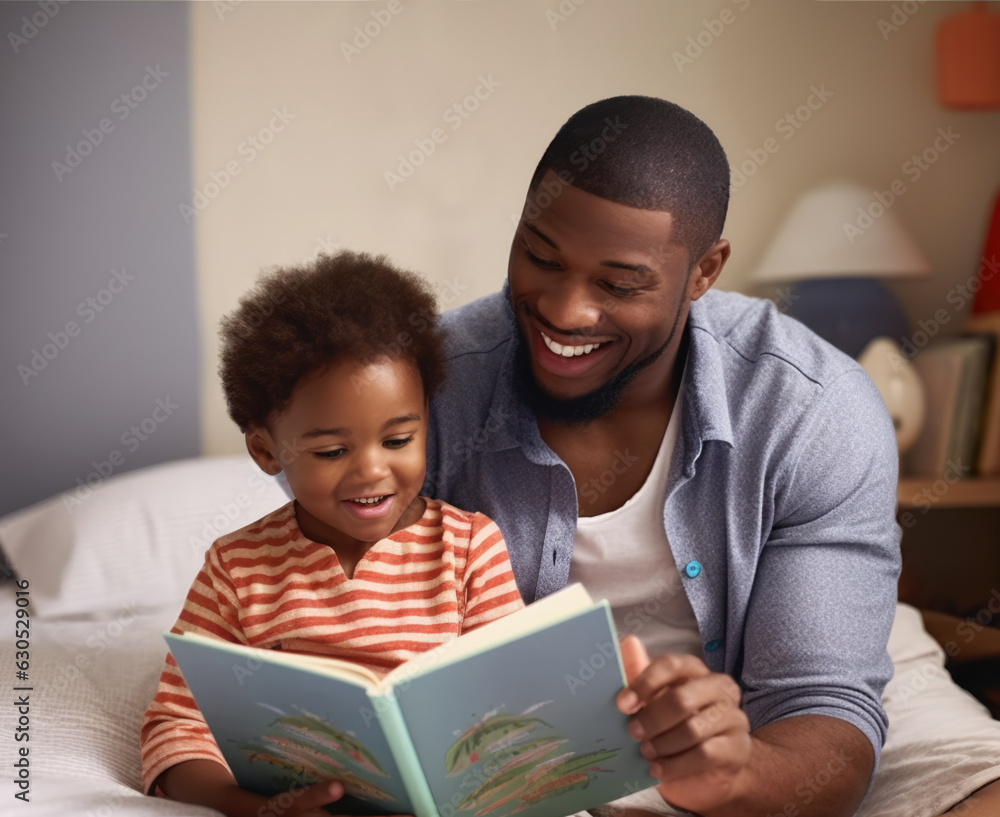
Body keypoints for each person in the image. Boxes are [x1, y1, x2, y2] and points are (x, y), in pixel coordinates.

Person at [422, 95, 1000, 817]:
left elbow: (821, 712)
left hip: (805, 681)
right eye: (540, 256)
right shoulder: (431, 383)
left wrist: (736, 777)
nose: (566, 311)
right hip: (536, 727)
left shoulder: (814, 407)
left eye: (619, 283)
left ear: (704, 272)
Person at [140, 251, 524, 817]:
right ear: (266, 449)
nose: (371, 471)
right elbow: (178, 725)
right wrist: (244, 806)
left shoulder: (470, 548)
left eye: (397, 441)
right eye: (331, 451)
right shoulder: (237, 568)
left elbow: (513, 705)